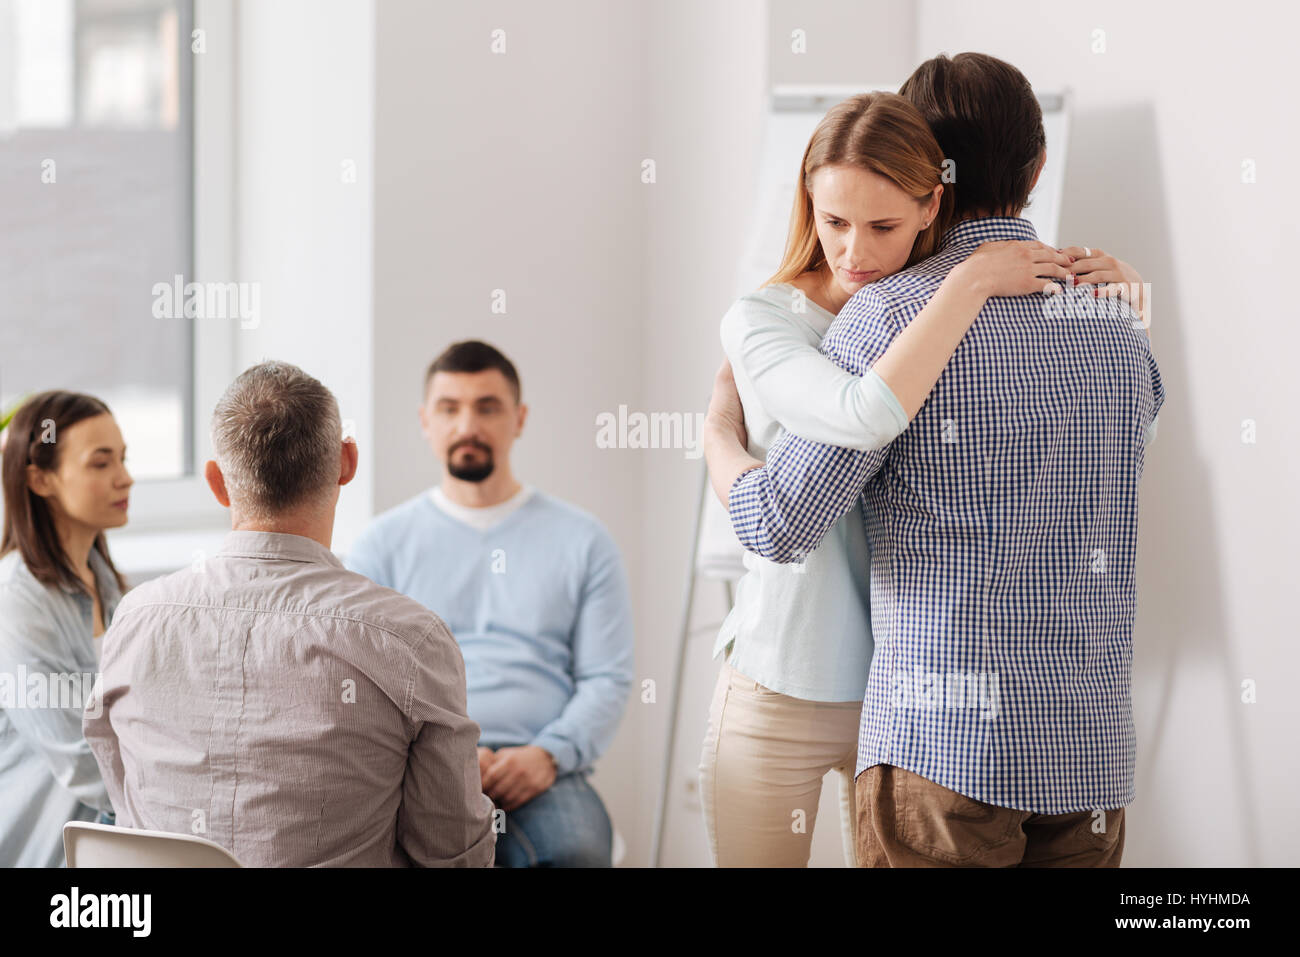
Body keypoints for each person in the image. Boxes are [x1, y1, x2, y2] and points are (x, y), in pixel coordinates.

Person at [703, 52, 1164, 868]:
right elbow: (1131, 439)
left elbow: (779, 521)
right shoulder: (1113, 313)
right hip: (1089, 747)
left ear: (928, 182)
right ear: (1040, 163)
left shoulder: (887, 319)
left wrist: (719, 438)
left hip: (943, 740)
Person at [83, 360, 495, 867]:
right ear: (347, 461)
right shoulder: (409, 640)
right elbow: (452, 853)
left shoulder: (136, 620)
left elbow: (125, 808)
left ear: (217, 483)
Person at [346, 340, 635, 868]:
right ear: (425, 421)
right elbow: (365, 686)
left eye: (487, 407)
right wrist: (443, 756)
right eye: (449, 408)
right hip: (422, 767)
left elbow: (607, 679)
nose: (467, 426)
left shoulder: (583, 540)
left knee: (577, 851)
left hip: (546, 767)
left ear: (519, 419)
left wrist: (549, 755)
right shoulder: (381, 545)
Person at [0, 391, 126, 866]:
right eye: (100, 463)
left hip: (103, 847)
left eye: (123, 459)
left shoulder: (106, 582)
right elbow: (81, 758)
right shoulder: (15, 601)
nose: (125, 477)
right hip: (39, 854)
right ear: (39, 478)